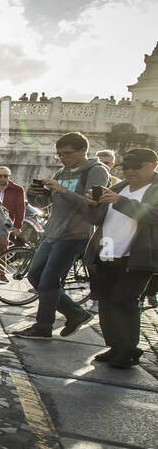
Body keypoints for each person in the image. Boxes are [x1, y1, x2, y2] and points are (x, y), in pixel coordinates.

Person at [17, 131, 111, 339]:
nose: (62, 158)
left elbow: (92, 204)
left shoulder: (96, 171)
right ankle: (76, 313)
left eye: (66, 154)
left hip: (75, 233)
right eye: (59, 154)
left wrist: (63, 191)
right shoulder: (62, 172)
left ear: (83, 151)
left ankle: (43, 327)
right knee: (35, 276)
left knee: (49, 280)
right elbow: (48, 203)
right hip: (53, 231)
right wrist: (34, 196)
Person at [84, 147, 157, 368]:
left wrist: (119, 202)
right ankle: (115, 346)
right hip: (107, 251)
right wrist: (94, 204)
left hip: (136, 257)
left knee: (123, 302)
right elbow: (97, 219)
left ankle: (128, 351)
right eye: (126, 167)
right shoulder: (119, 187)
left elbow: (153, 214)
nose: (130, 171)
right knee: (106, 302)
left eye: (136, 167)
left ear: (152, 165)